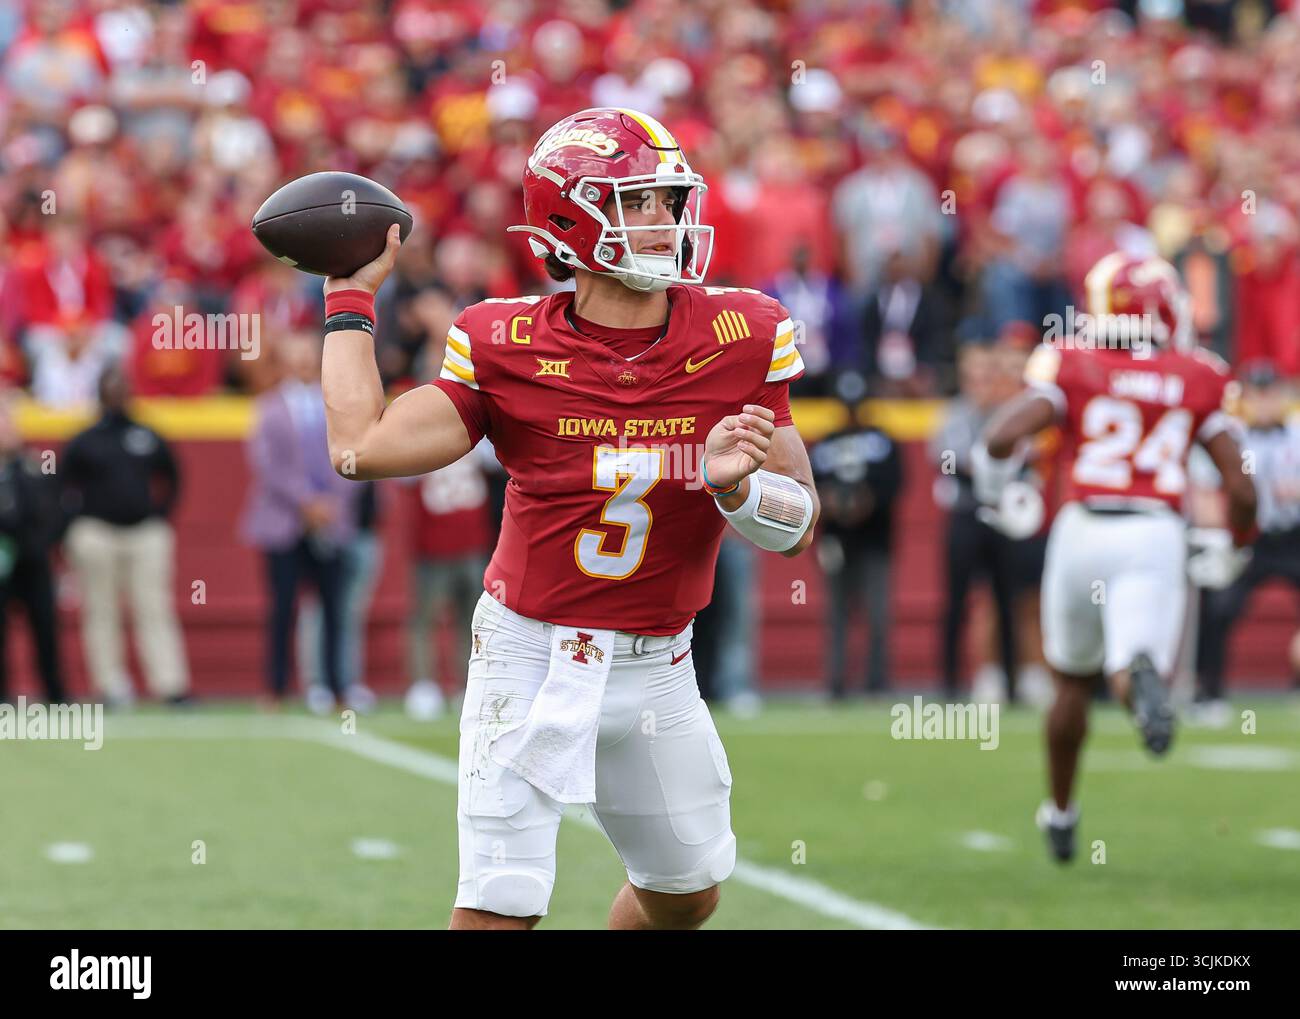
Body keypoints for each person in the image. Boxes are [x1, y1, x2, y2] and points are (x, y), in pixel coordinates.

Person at [319, 108, 819, 930]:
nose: (665, 219)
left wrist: (735, 491)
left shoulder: (741, 332)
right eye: (639, 201)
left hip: (659, 660)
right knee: (499, 906)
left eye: (667, 199)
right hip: (529, 650)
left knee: (686, 891)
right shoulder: (504, 339)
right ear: (570, 219)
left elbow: (800, 525)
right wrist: (348, 299)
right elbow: (361, 447)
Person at [973, 251, 1257, 863]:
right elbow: (1241, 486)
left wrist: (1000, 498)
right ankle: (1139, 686)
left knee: (1069, 681)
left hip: (1079, 530)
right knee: (1131, 662)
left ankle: (1060, 810)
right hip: (1153, 532)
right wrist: (1235, 546)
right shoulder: (1198, 373)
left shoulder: (1072, 362)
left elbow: (998, 436)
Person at [240, 331, 360, 709]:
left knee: (334, 608)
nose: (304, 362)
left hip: (330, 522)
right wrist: (306, 502)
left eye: (309, 354)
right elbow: (267, 466)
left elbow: (355, 455)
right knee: (282, 607)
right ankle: (276, 687)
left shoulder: (338, 405)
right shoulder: (269, 407)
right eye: (297, 356)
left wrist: (331, 503)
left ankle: (337, 686)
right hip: (285, 523)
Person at [62, 365, 190, 706]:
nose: (117, 394)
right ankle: (110, 687)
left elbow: (173, 476)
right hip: (97, 533)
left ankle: (170, 686)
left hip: (144, 533)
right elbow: (61, 486)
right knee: (101, 610)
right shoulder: (84, 440)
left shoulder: (146, 434)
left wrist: (160, 516)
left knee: (154, 609)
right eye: (110, 388)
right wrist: (74, 523)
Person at [1195, 360, 1300, 716]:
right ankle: (1208, 694)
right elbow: (1205, 488)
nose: (1265, 402)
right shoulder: (1231, 436)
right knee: (1219, 605)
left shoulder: (1298, 433)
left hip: (1293, 537)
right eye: (1257, 394)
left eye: (1270, 393)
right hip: (1247, 537)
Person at [810, 401, 903, 698]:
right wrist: (830, 503)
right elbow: (808, 484)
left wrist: (869, 501)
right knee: (836, 613)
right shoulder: (826, 443)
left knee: (877, 613)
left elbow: (897, 483)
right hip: (836, 539)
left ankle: (877, 682)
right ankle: (837, 682)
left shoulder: (883, 441)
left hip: (874, 539)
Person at [0, 390, 67, 704]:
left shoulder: (35, 466)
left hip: (32, 559)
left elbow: (54, 509)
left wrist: (43, 543)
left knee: (45, 627)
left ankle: (55, 693)